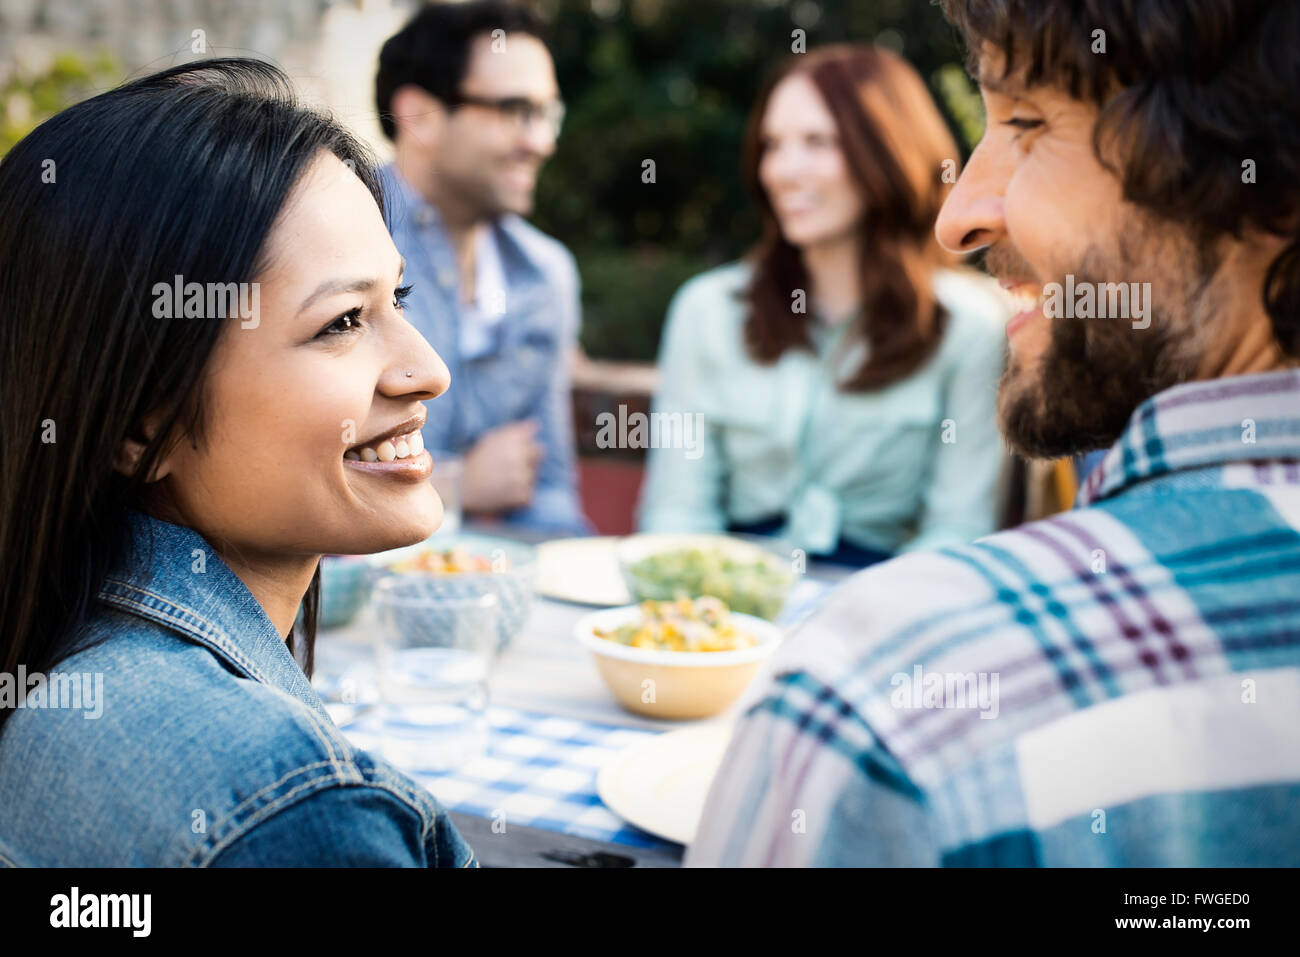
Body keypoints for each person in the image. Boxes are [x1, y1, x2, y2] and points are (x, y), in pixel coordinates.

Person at [688, 0, 1300, 866]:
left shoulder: (890, 699)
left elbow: (947, 540)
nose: (960, 215)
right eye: (774, 145)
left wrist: (844, 650)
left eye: (1027, 121)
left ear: (1268, 179)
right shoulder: (710, 310)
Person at [0, 59, 474, 867]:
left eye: (400, 299)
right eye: (342, 321)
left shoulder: (57, 659)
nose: (428, 368)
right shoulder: (291, 808)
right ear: (142, 425)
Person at [637, 45, 1009, 567]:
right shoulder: (708, 310)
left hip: (880, 609)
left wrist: (845, 617)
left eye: (817, 142)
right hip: (723, 614)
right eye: (772, 144)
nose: (784, 171)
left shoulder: (970, 328)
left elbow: (956, 531)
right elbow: (676, 515)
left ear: (885, 149)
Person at [375, 0, 591, 536]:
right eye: (515, 111)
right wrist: (457, 483)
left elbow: (550, 491)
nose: (541, 142)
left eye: (547, 114)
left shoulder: (547, 273)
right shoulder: (334, 248)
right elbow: (297, 482)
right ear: (418, 116)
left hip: (491, 593)